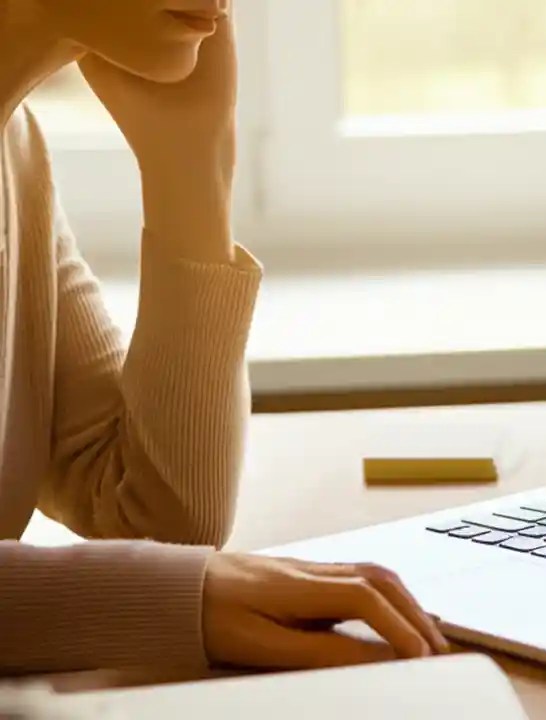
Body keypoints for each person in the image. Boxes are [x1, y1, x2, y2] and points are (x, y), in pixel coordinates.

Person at [0, 1, 448, 674]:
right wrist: (180, 598)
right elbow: (174, 563)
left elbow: (159, 517)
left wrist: (192, 171)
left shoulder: (15, 148)